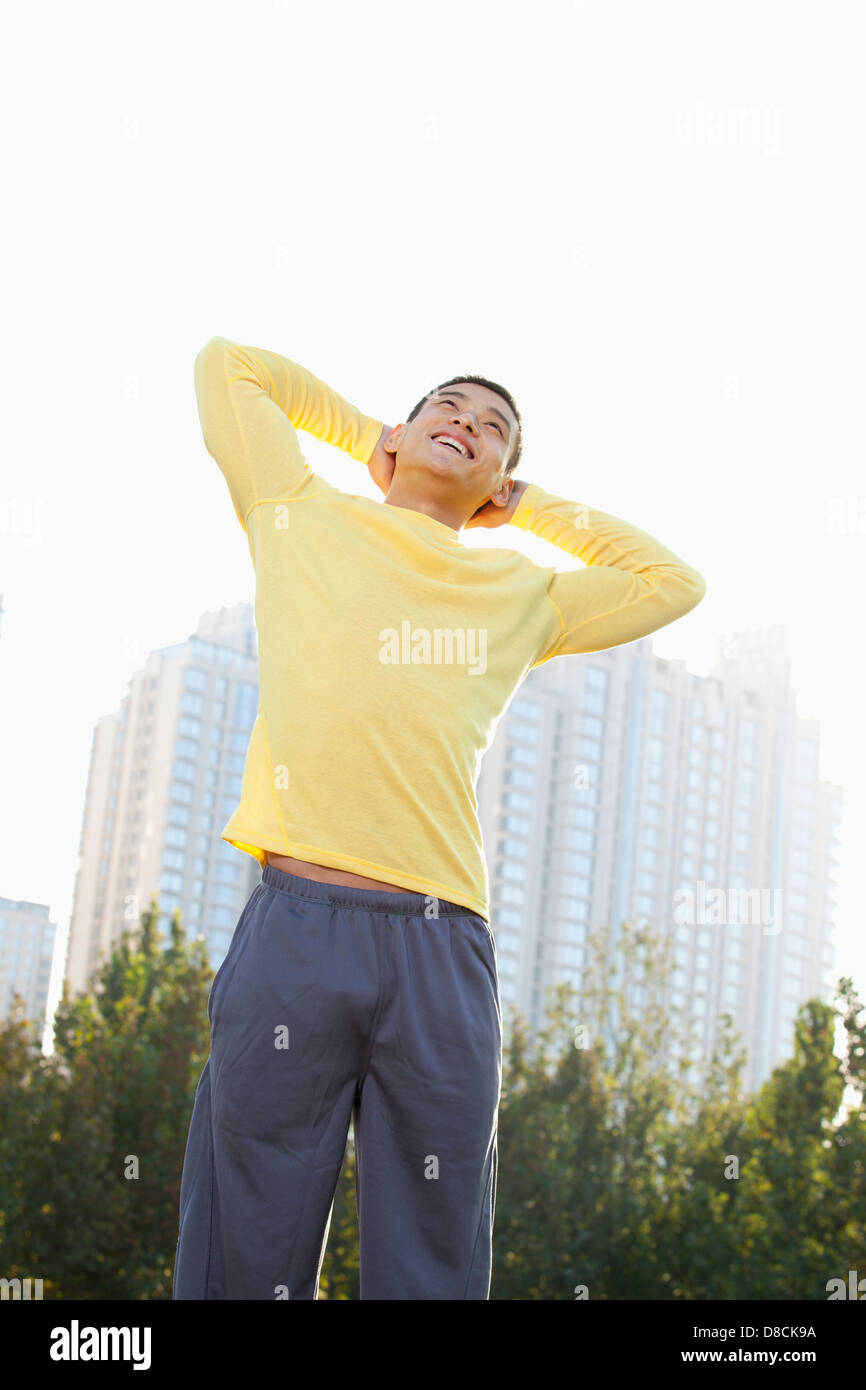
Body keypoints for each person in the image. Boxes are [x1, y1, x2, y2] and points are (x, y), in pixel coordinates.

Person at [172, 335, 707, 1301]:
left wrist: (529, 507)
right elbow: (226, 365)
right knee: (242, 1237)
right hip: (296, 927)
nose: (468, 424)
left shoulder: (522, 594)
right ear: (404, 433)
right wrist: (360, 431)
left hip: (441, 948)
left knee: (434, 1247)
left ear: (501, 476)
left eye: (494, 430)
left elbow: (670, 583)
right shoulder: (295, 511)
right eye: (447, 410)